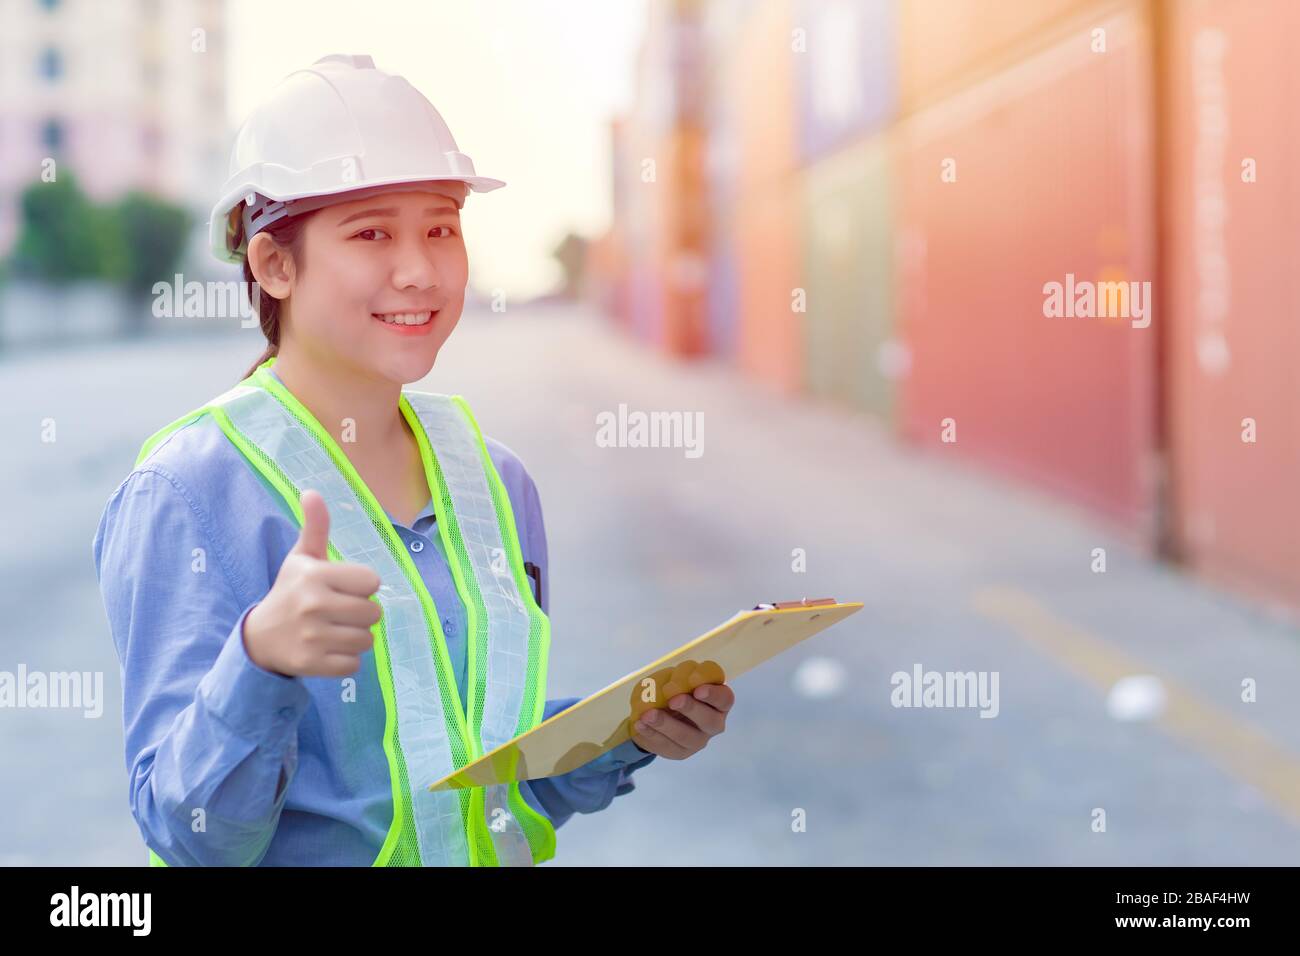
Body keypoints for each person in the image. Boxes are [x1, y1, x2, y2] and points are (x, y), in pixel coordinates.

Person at [92, 54, 735, 867]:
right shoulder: (188, 494)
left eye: (441, 227)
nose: (420, 271)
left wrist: (626, 733)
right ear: (273, 264)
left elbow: (476, 788)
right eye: (371, 233)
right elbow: (192, 839)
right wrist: (259, 661)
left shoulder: (494, 482)